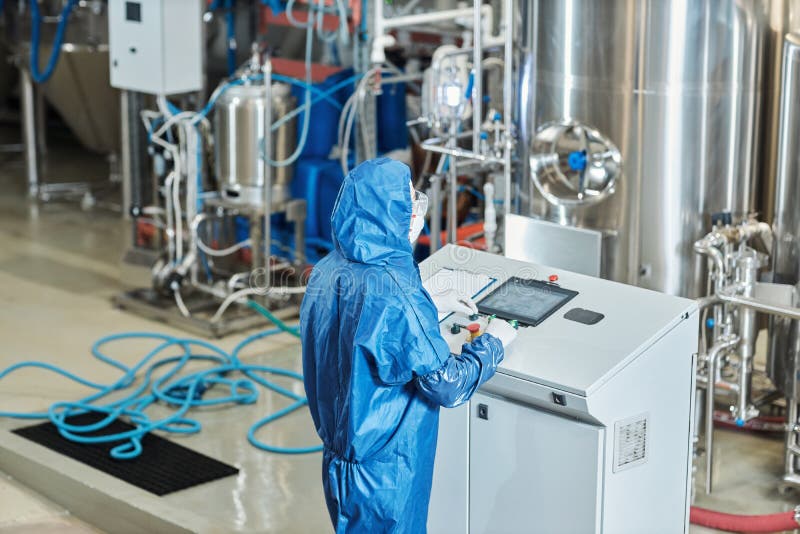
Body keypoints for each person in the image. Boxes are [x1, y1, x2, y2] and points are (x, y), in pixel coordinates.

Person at [300, 157, 518, 533]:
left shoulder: (327, 270)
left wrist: (427, 305)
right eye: (409, 202)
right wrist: (493, 343)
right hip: (387, 469)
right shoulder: (399, 291)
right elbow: (447, 385)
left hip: (340, 460)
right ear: (394, 213)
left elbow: (357, 333)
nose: (416, 211)